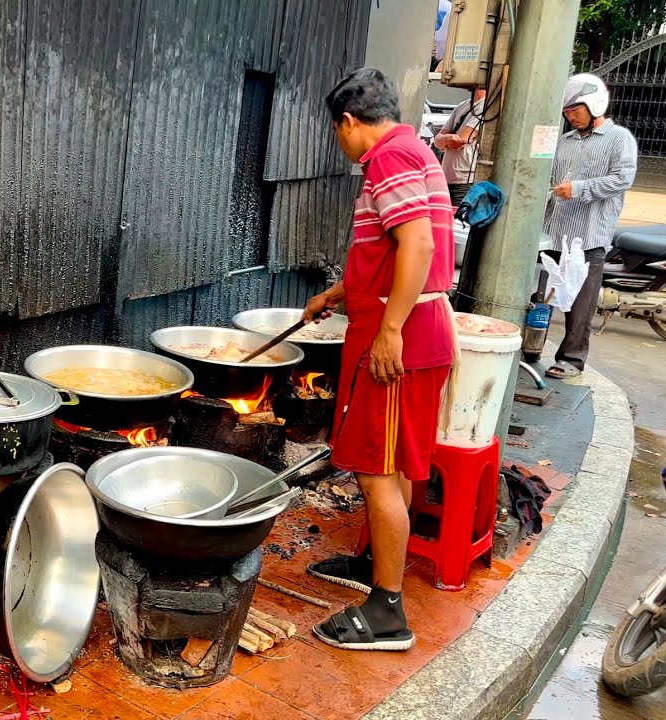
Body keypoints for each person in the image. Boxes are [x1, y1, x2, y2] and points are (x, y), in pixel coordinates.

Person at [301, 68, 457, 652]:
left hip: (403, 337)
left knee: (378, 471)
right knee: (393, 464)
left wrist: (389, 329)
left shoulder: (390, 158)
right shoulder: (414, 151)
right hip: (411, 327)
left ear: (348, 122)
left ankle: (388, 613)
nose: (340, 144)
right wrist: (339, 293)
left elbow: (418, 244)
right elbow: (393, 249)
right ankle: (378, 567)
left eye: (336, 132)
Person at [541, 73, 638, 379]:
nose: (571, 117)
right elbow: (551, 180)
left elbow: (623, 179)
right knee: (542, 296)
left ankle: (571, 358)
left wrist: (580, 188)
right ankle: (532, 347)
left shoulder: (619, 138)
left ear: (595, 104)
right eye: (567, 112)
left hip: (589, 235)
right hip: (554, 233)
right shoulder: (565, 142)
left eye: (576, 111)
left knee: (580, 302)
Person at [433, 88, 487, 209]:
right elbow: (437, 140)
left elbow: (461, 140)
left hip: (465, 180)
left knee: (459, 223)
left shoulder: (485, 107)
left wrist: (445, 139)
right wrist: (446, 139)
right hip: (447, 178)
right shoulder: (462, 106)